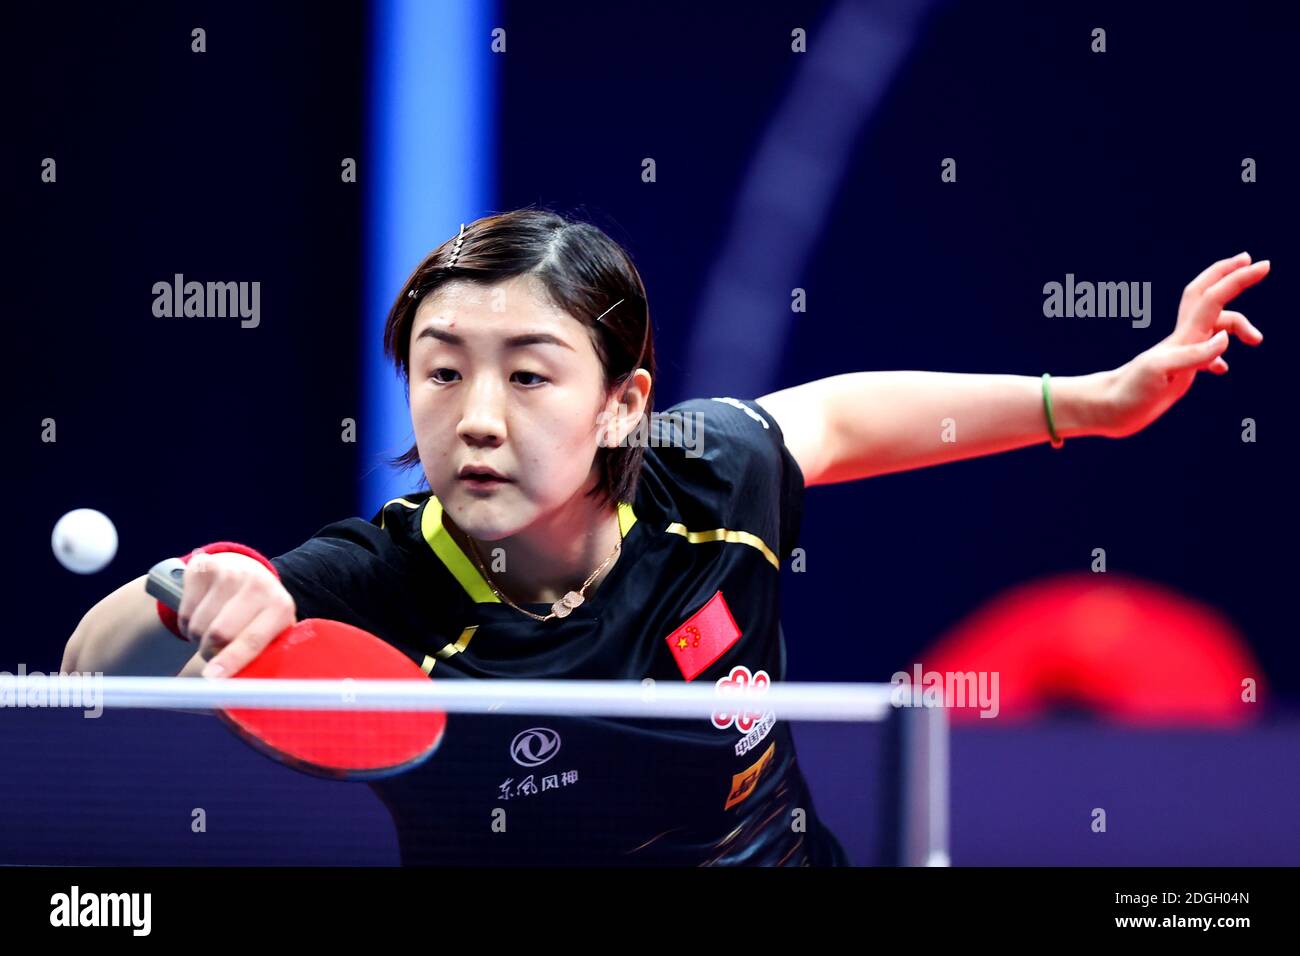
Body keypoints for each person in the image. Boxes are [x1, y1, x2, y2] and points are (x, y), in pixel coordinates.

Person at [63, 208, 1269, 865]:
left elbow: (844, 414)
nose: (475, 418)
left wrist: (1091, 402)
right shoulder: (375, 575)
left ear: (622, 404)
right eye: (439, 374)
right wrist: (196, 582)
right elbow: (82, 667)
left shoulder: (708, 476)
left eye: (529, 376)